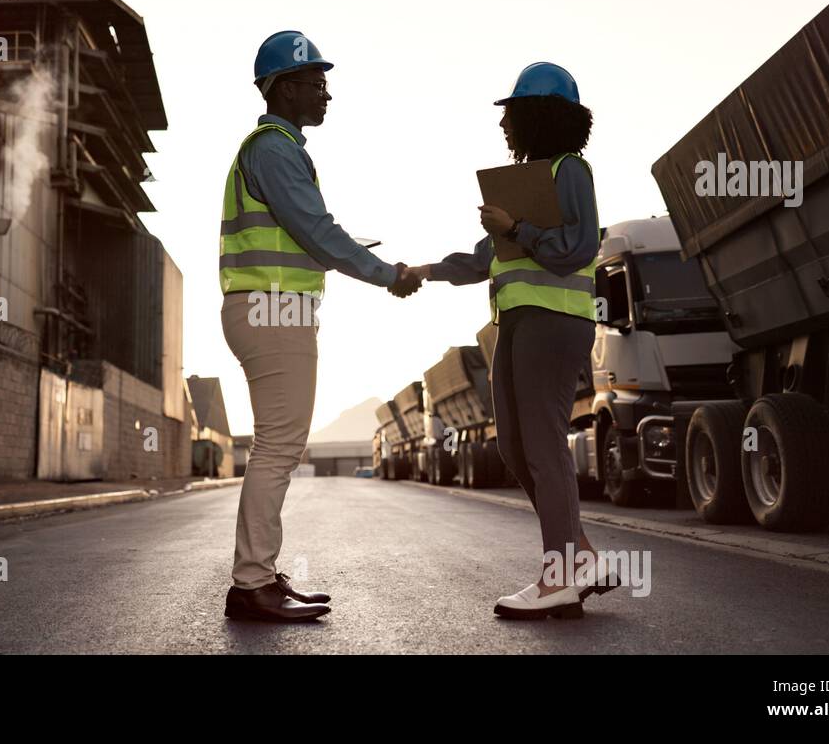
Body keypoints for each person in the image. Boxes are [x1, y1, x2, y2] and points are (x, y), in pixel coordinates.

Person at [221, 31, 422, 623]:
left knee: (276, 445)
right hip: (273, 310)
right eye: (315, 83)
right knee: (278, 448)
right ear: (283, 88)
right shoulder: (275, 147)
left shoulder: (276, 148)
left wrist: (339, 249)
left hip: (272, 308)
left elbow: (306, 233)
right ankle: (252, 583)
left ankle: (257, 577)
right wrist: (387, 274)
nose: (326, 94)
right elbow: (318, 230)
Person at [407, 62, 617, 620]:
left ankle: (559, 577)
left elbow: (576, 248)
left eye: (513, 114)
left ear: (539, 116)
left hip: (554, 320)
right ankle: (583, 559)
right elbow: (484, 260)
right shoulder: (524, 186)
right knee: (515, 449)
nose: (506, 126)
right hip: (519, 322)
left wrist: (517, 229)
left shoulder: (570, 170)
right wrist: (421, 270)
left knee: (544, 446)